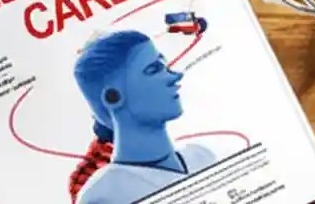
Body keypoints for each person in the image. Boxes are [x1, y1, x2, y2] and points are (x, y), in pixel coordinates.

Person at [70, 30, 218, 203]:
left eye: (165, 66)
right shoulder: (103, 195)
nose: (175, 76)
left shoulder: (202, 156)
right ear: (113, 96)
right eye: (154, 69)